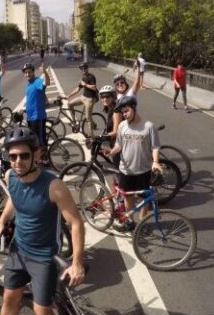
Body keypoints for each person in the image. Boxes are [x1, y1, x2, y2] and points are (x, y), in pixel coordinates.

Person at [0, 127, 86, 315]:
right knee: (9, 298)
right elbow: (13, 201)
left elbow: (76, 223)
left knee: (41, 310)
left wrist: (77, 262)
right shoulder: (10, 176)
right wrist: (1, 221)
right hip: (18, 250)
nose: (18, 161)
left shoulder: (53, 185)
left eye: (24, 156)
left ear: (36, 154)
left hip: (43, 256)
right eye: (13, 156)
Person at [102, 95, 161, 227]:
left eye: (127, 111)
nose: (125, 114)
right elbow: (119, 145)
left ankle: (142, 224)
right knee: (128, 197)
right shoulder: (122, 126)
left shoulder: (148, 126)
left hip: (143, 170)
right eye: (122, 112)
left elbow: (155, 146)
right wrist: (111, 151)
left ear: (134, 108)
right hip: (126, 170)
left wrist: (155, 161)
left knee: (144, 199)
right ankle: (130, 221)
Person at [22, 62, 50, 152]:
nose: (27, 74)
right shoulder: (28, 84)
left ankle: (45, 159)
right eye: (25, 73)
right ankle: (39, 158)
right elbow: (30, 99)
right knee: (34, 140)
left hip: (38, 116)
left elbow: (47, 83)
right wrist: (23, 110)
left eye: (29, 72)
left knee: (40, 141)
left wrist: (45, 72)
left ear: (33, 72)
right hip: (30, 117)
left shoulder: (37, 81)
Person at [66, 62, 97, 130]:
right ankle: (74, 122)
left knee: (87, 117)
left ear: (87, 68)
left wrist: (85, 84)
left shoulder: (91, 77)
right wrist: (69, 95)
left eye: (85, 68)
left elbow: (94, 87)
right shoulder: (83, 77)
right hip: (83, 97)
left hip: (90, 98)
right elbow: (78, 89)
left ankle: (92, 137)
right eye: (82, 69)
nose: (83, 70)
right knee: (70, 104)